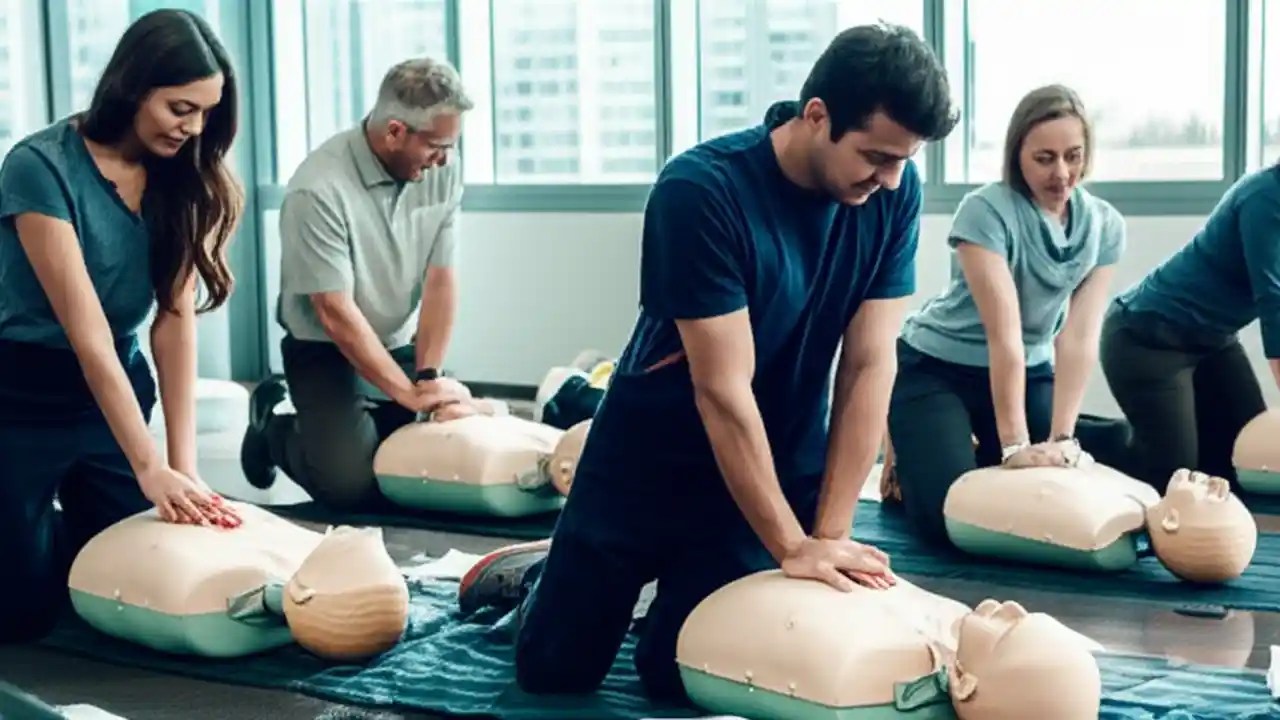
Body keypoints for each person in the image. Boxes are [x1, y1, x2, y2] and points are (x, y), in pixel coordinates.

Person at [456, 23, 958, 702]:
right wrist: (790, 547)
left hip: (774, 463)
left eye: (904, 159)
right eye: (875, 155)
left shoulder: (891, 190)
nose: (891, 178)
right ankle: (546, 573)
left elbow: (869, 367)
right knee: (554, 673)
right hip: (649, 461)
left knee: (675, 672)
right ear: (817, 116)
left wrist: (826, 538)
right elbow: (721, 391)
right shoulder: (701, 190)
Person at [0, 9, 244, 642]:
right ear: (134, 88)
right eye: (180, 108)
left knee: (143, 572)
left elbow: (174, 317)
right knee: (22, 613)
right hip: (20, 401)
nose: (193, 129)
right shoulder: (38, 167)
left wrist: (180, 467)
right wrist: (147, 464)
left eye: (206, 114)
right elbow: (88, 338)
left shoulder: (181, 172)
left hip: (115, 398)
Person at [881, 85, 1127, 544]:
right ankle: (913, 453)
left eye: (1073, 156)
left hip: (1029, 371)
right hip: (936, 369)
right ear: (1018, 156)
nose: (1062, 173)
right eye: (1044, 158)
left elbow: (1076, 339)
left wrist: (1062, 438)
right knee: (946, 518)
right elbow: (1005, 335)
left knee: (1064, 473)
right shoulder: (985, 211)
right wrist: (1015, 447)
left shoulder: (1106, 226)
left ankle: (975, 451)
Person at [239, 57, 475, 512]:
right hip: (324, 348)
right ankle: (273, 428)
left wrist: (427, 377)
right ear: (394, 132)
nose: (445, 158)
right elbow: (334, 311)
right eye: (436, 145)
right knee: (350, 487)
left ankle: (372, 419)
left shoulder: (443, 167)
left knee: (428, 457)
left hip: (396, 345)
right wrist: (408, 396)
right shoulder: (317, 188)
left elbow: (441, 280)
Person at [1098, 163, 1280, 492]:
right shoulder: (1264, 197)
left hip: (1214, 341)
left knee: (1240, 456)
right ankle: (1068, 438)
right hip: (1147, 338)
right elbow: (1274, 301)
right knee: (1173, 475)